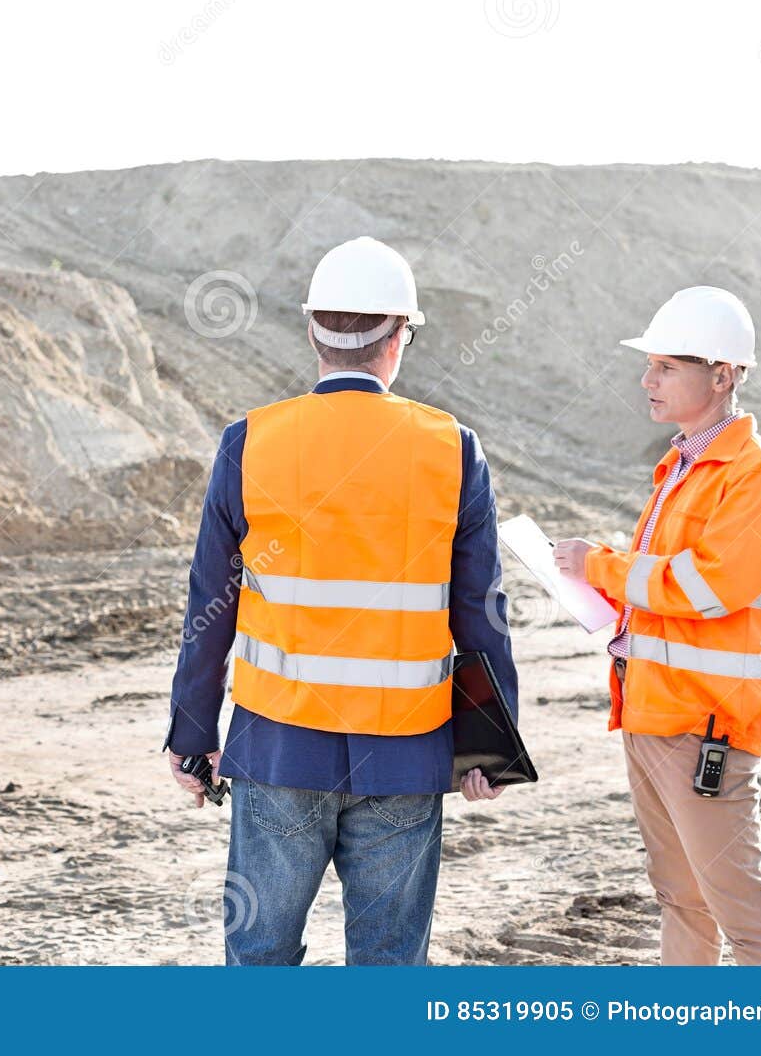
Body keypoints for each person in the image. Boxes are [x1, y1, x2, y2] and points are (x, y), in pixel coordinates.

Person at [164, 237, 518, 966]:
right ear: (399, 338)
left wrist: (192, 729)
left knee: (259, 963)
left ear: (311, 332)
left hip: (277, 750)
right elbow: (480, 614)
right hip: (407, 758)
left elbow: (211, 606)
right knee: (389, 973)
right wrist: (490, 745)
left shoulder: (250, 443)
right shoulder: (452, 448)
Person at [554, 285, 761, 966]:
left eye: (666, 366)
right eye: (651, 364)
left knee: (743, 914)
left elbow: (708, 587)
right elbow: (662, 586)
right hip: (653, 716)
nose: (647, 378)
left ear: (721, 376)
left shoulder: (755, 475)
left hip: (704, 731)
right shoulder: (684, 467)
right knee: (682, 901)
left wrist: (598, 564)